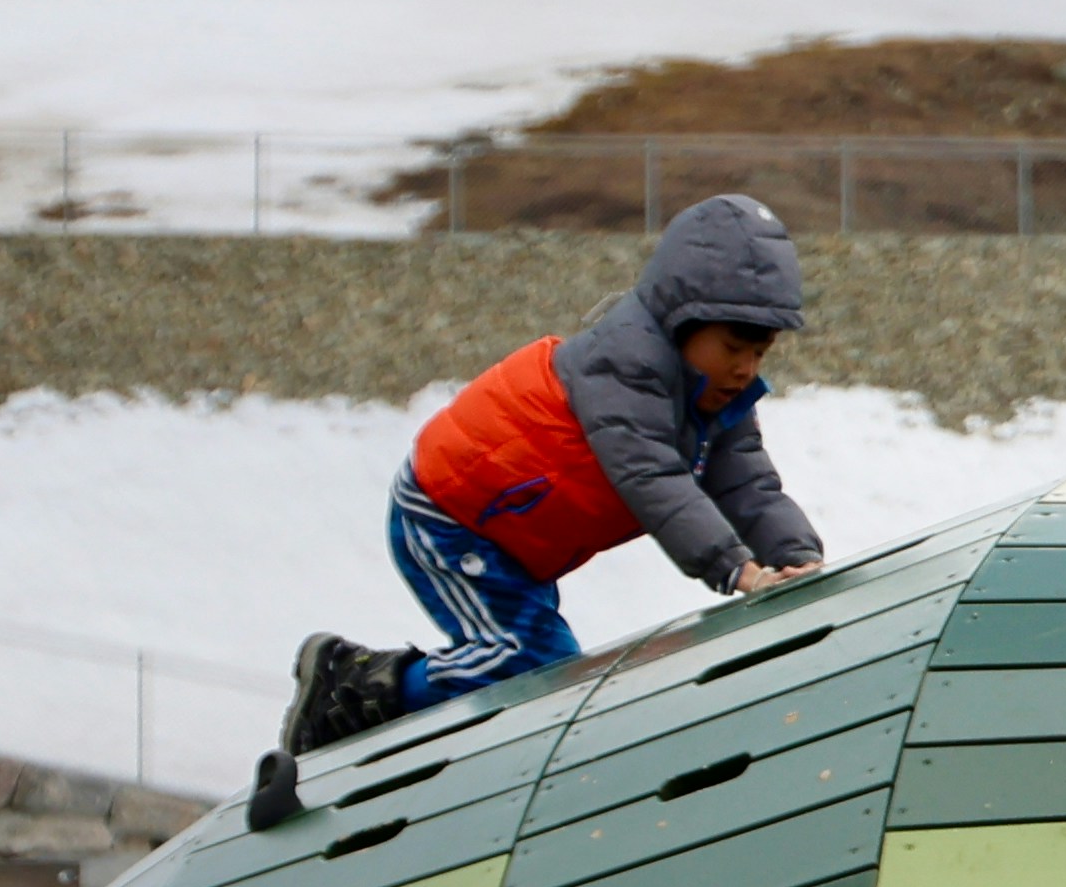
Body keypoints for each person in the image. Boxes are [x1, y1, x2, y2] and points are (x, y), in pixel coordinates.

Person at [281, 195, 820, 755]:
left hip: (516, 538)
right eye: (734, 347)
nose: (746, 369)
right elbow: (653, 478)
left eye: (761, 352)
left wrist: (796, 557)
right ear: (682, 323)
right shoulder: (623, 369)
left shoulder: (713, 397)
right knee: (528, 667)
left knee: (546, 681)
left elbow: (748, 485)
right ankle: (352, 686)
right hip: (448, 515)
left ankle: (433, 729)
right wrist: (737, 571)